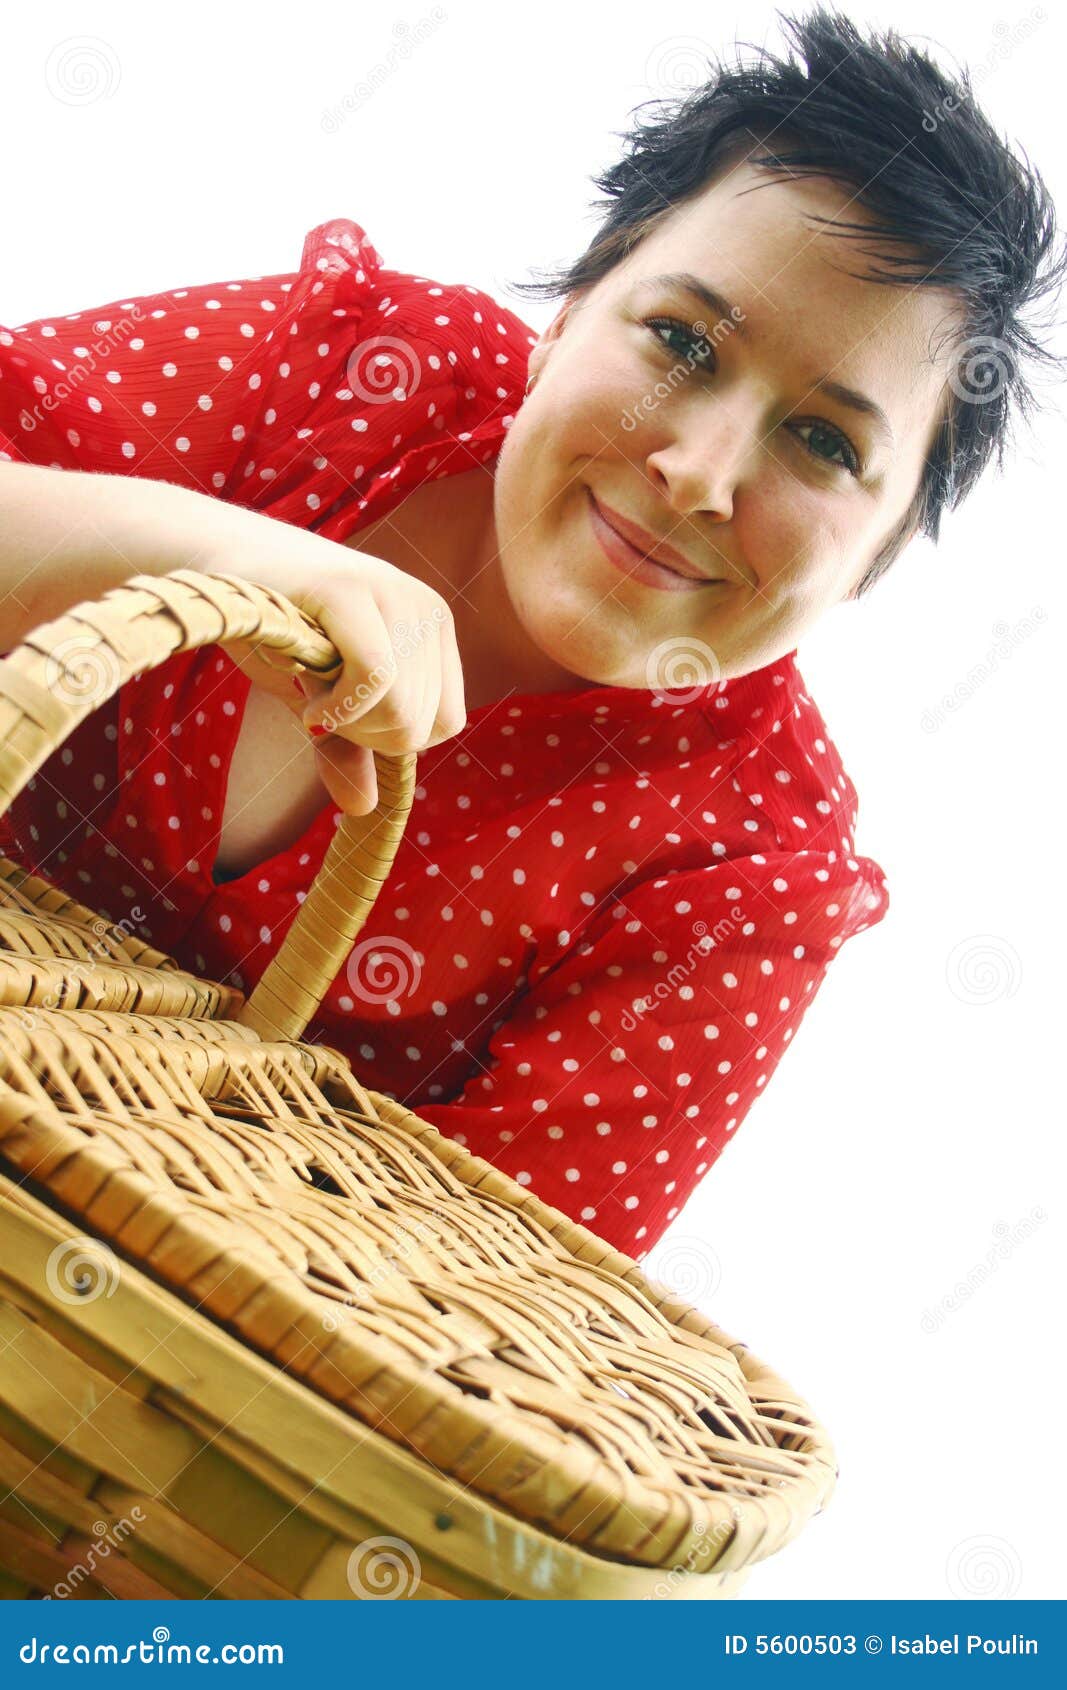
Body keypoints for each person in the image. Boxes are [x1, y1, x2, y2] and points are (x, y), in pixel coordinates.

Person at [0, 8, 1061, 1262]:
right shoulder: (359, 370)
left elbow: (457, 1300)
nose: (698, 471)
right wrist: (240, 554)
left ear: (872, 560)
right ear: (565, 311)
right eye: (681, 342)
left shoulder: (747, 875)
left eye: (823, 442)